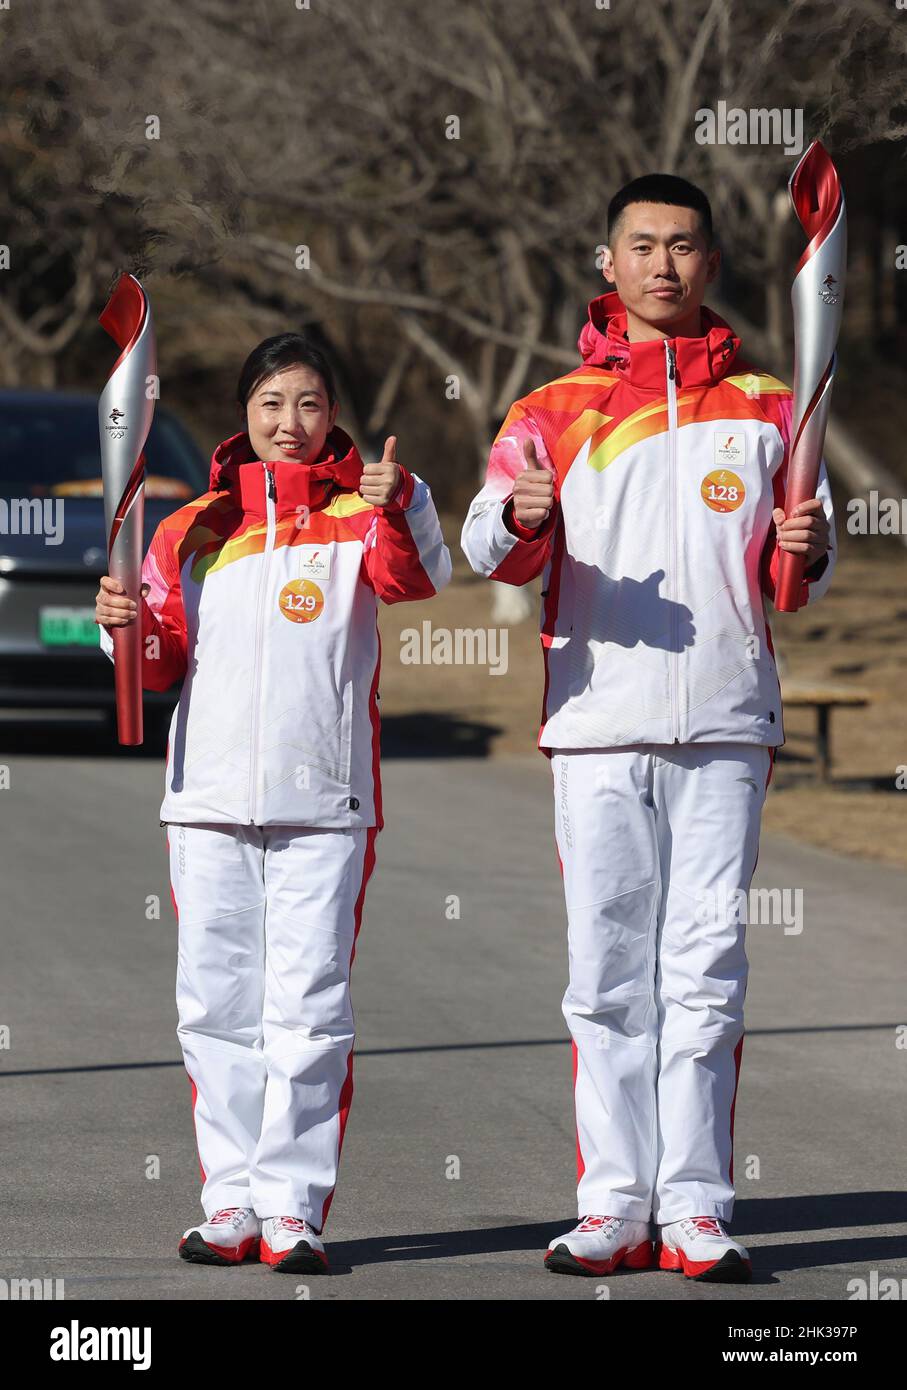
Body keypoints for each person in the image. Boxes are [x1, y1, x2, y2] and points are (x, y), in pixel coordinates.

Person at [461, 174, 835, 1283]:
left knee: (706, 968)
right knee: (609, 973)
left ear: (711, 264)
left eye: (682, 246)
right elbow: (491, 543)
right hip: (598, 724)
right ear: (606, 263)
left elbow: (793, 576)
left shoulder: (771, 403)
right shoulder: (551, 408)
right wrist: (519, 517)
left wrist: (808, 544)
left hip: (725, 720)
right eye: (642, 245)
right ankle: (613, 1203)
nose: (662, 264)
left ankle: (697, 1207)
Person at [96, 334, 451, 1273]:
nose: (288, 424)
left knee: (308, 1009)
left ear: (331, 413)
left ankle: (292, 1207)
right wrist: (122, 629)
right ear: (243, 416)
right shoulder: (191, 529)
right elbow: (164, 660)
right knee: (213, 1007)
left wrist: (402, 502)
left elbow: (414, 579)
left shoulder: (363, 515)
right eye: (270, 404)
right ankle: (230, 1203)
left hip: (324, 800)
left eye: (307, 403)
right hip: (205, 798)